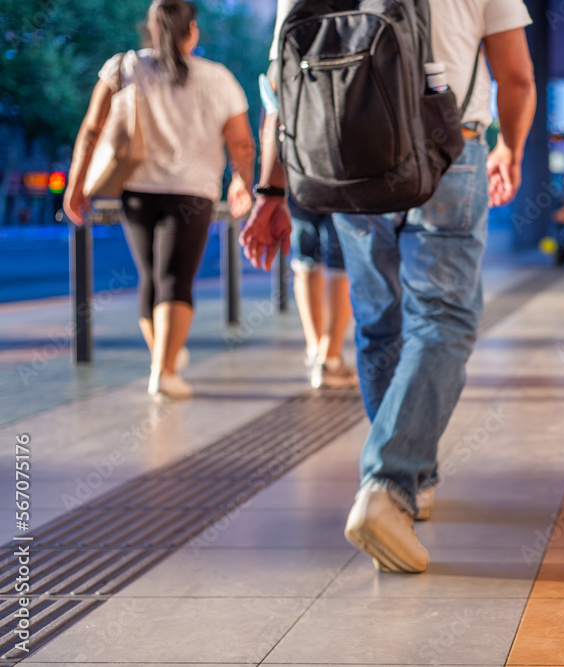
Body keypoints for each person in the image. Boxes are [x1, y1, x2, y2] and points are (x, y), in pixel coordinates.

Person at [242, 0, 536, 573]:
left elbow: (280, 91)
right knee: (443, 318)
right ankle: (390, 483)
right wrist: (513, 148)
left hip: (350, 158)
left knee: (381, 323)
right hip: (452, 151)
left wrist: (271, 191)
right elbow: (517, 76)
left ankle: (412, 477)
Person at [64, 0, 254, 400]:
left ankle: (162, 360)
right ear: (193, 31)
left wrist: (76, 184)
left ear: (150, 29)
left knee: (152, 277)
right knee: (175, 279)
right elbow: (240, 142)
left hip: (137, 192)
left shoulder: (124, 67)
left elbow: (91, 129)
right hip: (194, 194)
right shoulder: (217, 77)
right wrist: (241, 181)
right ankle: (164, 370)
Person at [257, 73, 357, 389]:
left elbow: (270, 124)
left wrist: (269, 188)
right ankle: (331, 356)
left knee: (306, 258)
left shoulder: (283, 58)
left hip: (299, 171)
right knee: (340, 264)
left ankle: (316, 349)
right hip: (346, 169)